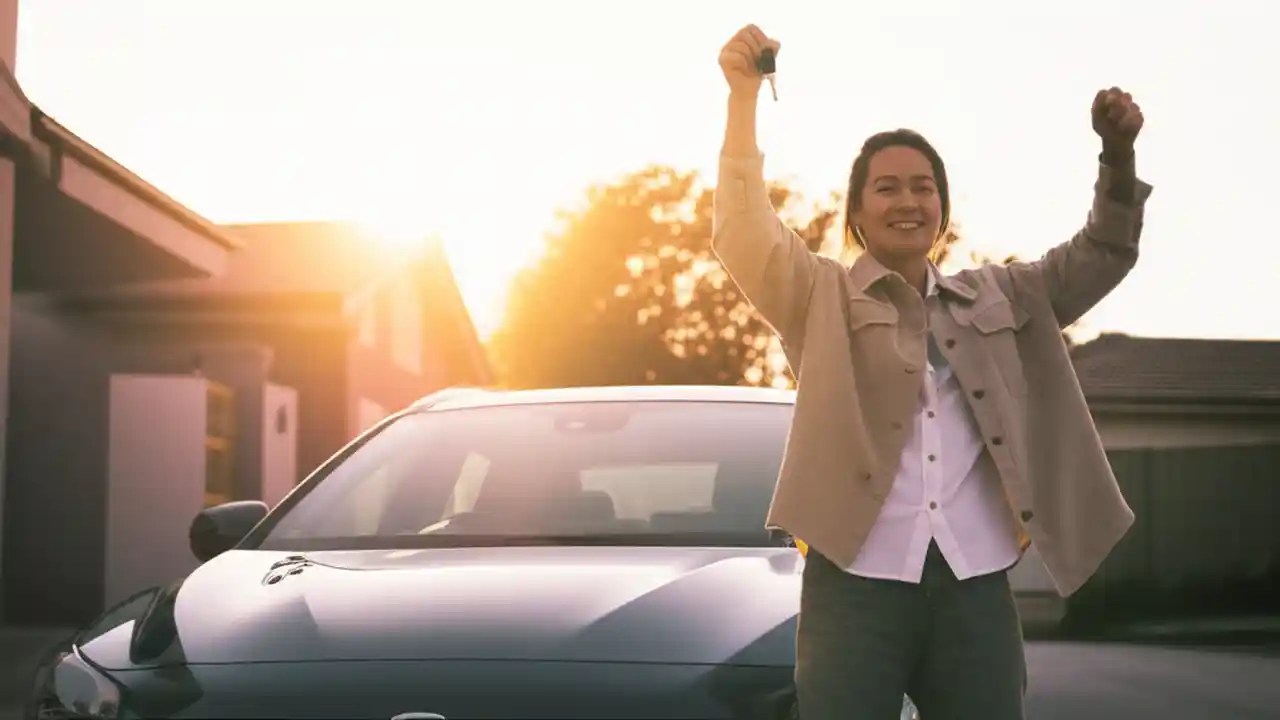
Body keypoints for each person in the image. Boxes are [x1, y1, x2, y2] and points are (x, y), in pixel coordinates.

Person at [713, 23, 1151, 720]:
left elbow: (1104, 252)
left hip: (973, 583)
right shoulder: (820, 294)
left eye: (923, 188)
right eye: (886, 188)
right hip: (853, 584)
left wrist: (1117, 154)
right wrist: (742, 99)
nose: (907, 201)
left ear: (942, 210)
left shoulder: (1005, 295)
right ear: (857, 211)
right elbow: (742, 229)